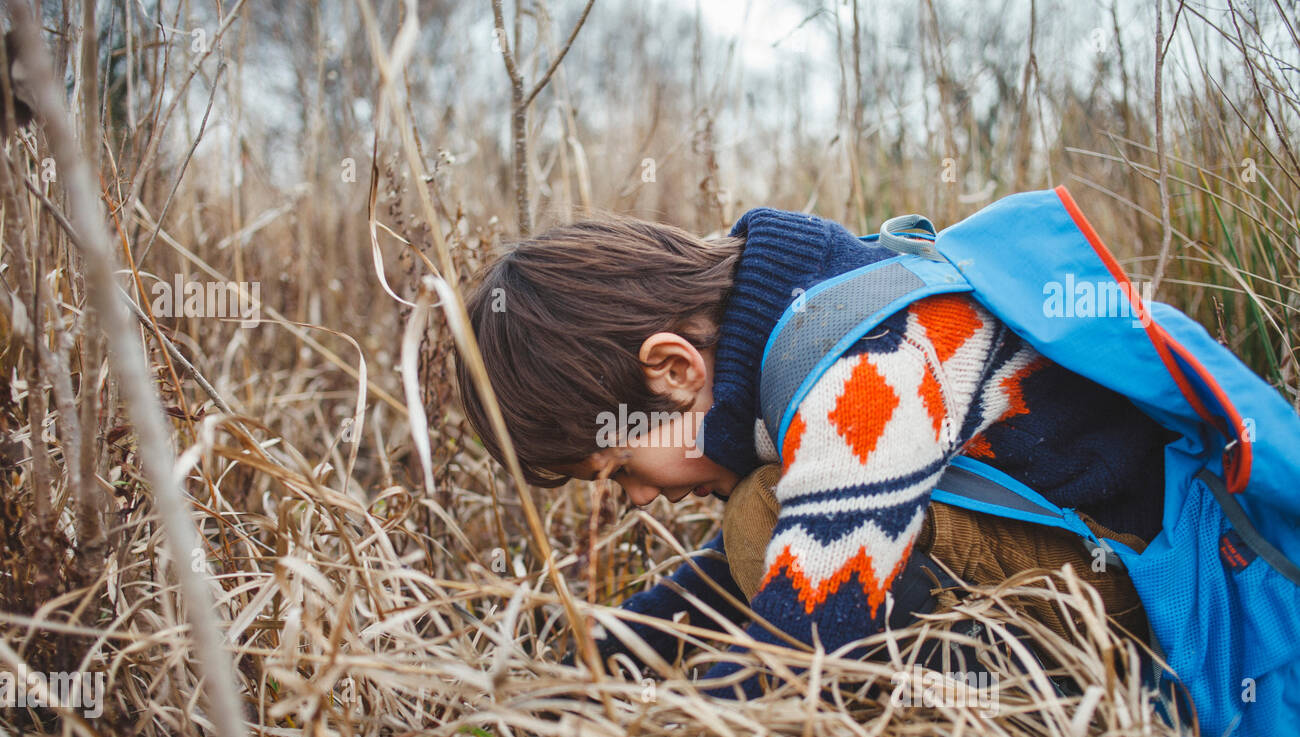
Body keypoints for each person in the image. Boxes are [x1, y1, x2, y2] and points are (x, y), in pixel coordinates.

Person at [453, 207, 1173, 698]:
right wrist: (606, 650)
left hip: (1125, 599)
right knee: (767, 512)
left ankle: (1024, 711)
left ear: (675, 368)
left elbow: (813, 602)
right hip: (1070, 561)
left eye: (620, 466)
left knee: (757, 511)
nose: (637, 497)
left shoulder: (863, 368)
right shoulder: (801, 325)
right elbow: (782, 556)